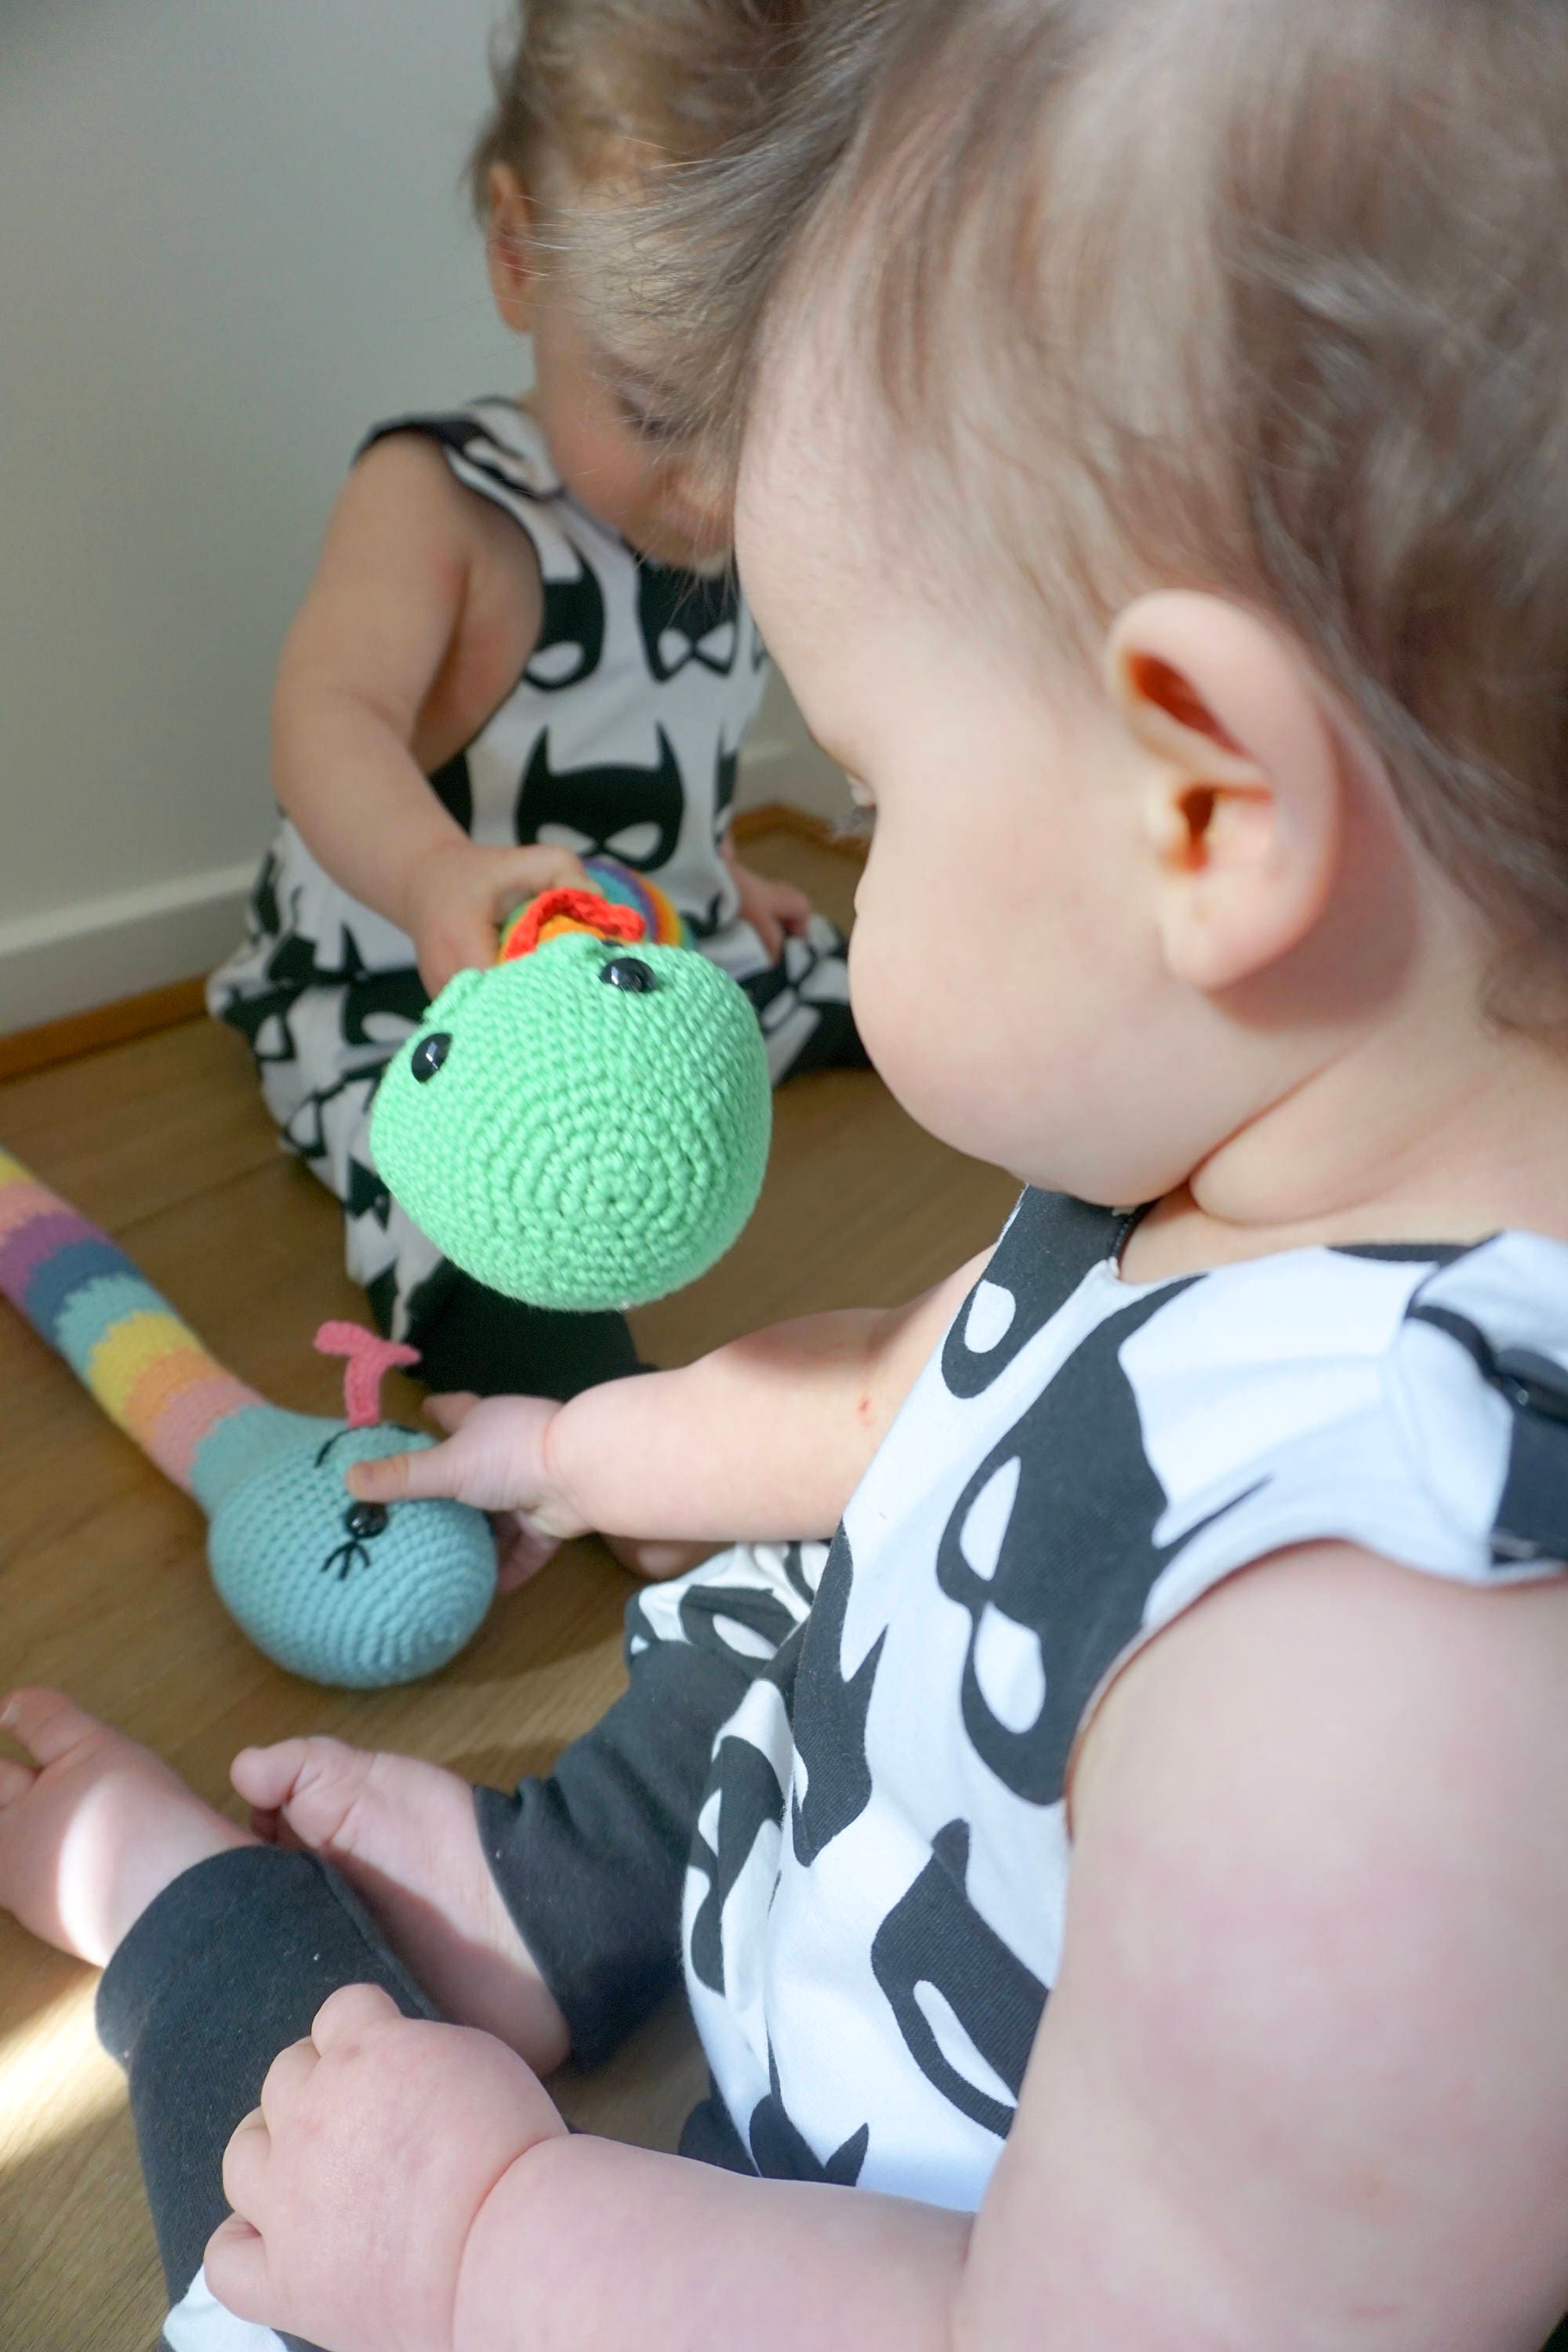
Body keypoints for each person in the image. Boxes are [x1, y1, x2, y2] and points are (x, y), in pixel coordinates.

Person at [9, 0, 1568, 2343]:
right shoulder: (1264, 1176)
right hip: (863, 1826)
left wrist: (481, 2242)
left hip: (823, 2243)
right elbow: (895, 1409)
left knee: (298, 2247)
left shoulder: (1378, 1717)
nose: (856, 842)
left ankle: (195, 1926)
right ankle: (545, 1897)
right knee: (789, 1598)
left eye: (882, 791)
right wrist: (566, 1442)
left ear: (1211, 812)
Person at [208, 0, 863, 1409]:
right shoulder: (441, 501)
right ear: (519, 255)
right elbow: (326, 721)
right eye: (665, 413)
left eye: (775, 422)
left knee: (878, 987)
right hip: (415, 971)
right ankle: (559, 1409)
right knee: (448, 1174)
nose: (718, 492)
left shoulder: (740, 512)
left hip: (648, 943)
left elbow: (660, 745)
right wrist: (433, 872)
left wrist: (722, 865)